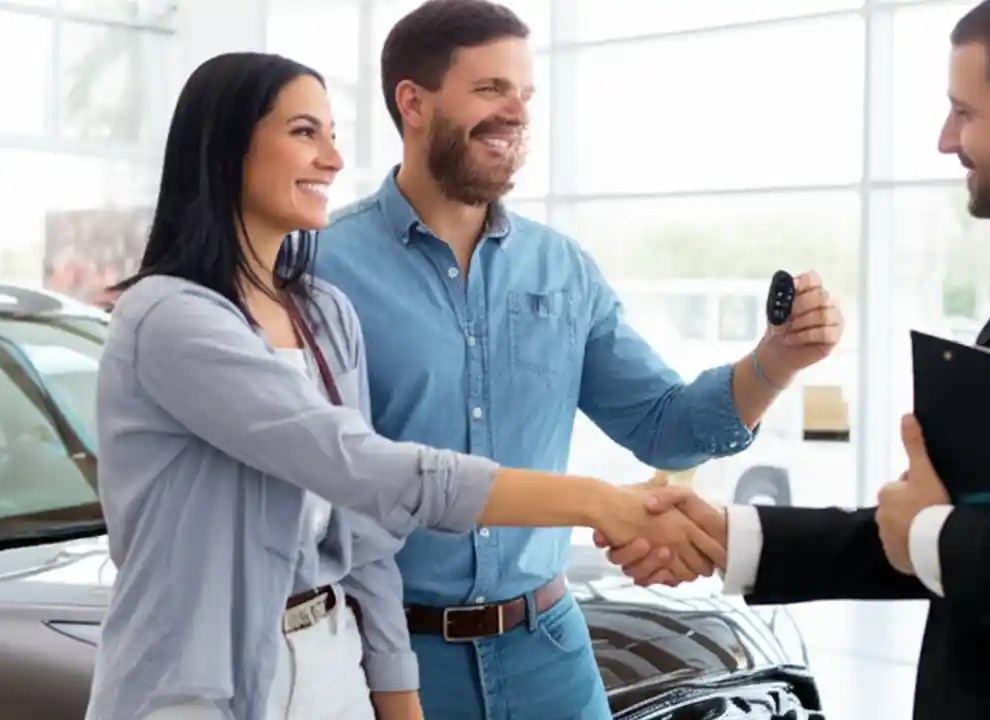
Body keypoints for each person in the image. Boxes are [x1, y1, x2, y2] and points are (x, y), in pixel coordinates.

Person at [603, 1, 990, 719]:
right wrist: (736, 537)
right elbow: (985, 533)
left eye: (964, 112)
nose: (945, 140)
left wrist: (932, 532)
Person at [85, 51, 721, 720]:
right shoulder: (169, 318)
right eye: (304, 132)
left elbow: (366, 530)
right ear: (225, 149)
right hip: (195, 681)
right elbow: (359, 466)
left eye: (333, 135)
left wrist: (400, 700)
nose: (333, 160)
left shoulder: (323, 312)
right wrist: (595, 502)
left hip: (329, 662)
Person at [313, 1, 843, 717]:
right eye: (491, 89)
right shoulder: (321, 267)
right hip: (388, 663)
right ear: (413, 103)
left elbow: (666, 426)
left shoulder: (562, 268)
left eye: (525, 94)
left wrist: (776, 361)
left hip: (550, 657)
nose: (517, 113)